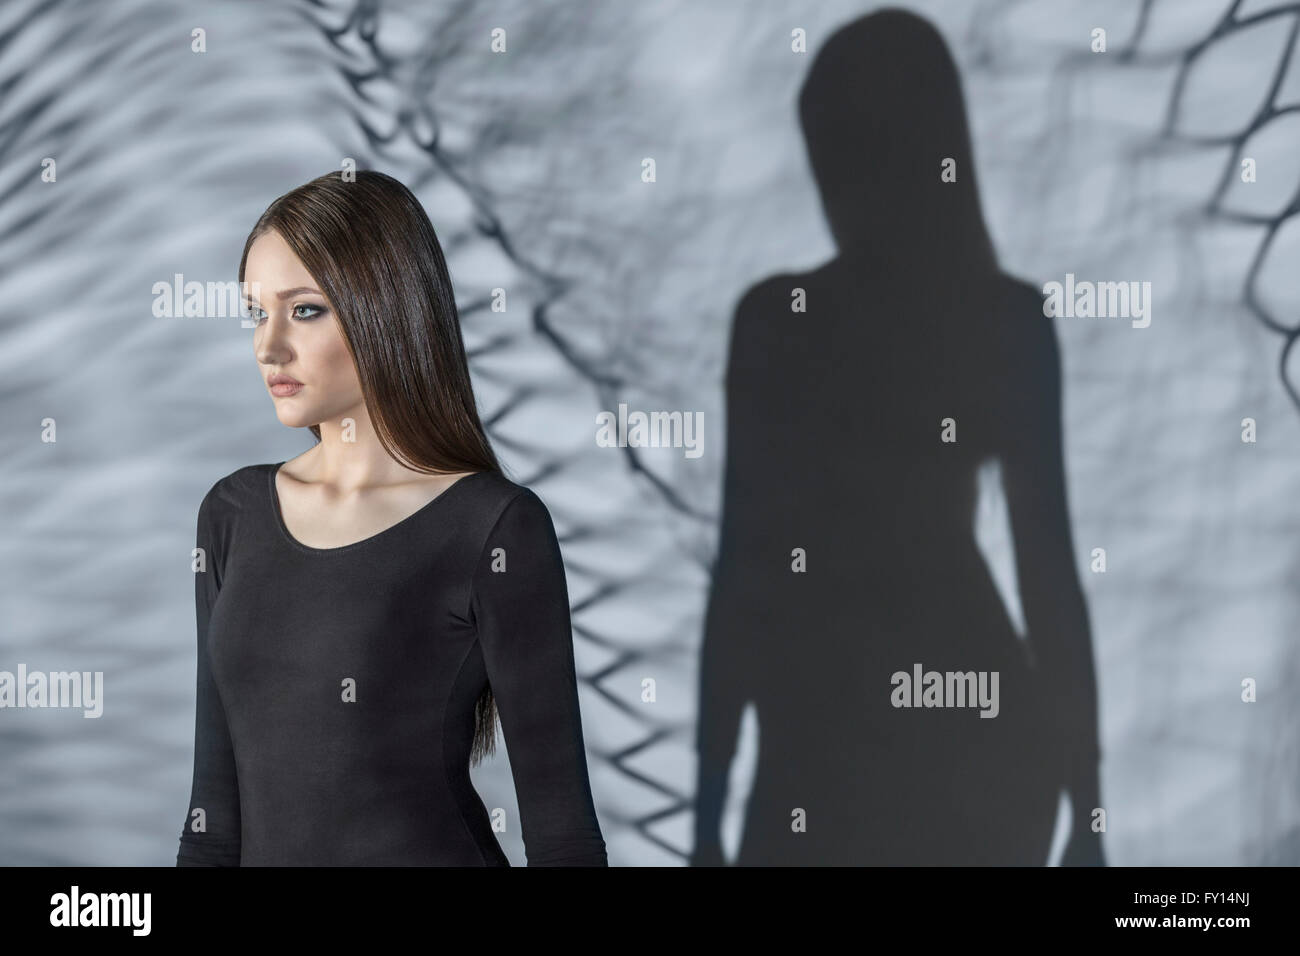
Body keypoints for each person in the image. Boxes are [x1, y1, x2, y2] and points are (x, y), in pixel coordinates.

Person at [692, 9, 1105, 866]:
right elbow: (1049, 577)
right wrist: (1088, 806)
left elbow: (746, 571)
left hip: (829, 744)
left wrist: (708, 806)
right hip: (972, 744)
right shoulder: (1008, 325)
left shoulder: (779, 325)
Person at [177, 170, 607, 866]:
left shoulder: (495, 527)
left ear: (387, 309)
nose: (269, 345)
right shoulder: (231, 516)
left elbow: (562, 832)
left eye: (305, 310)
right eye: (257, 312)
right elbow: (211, 820)